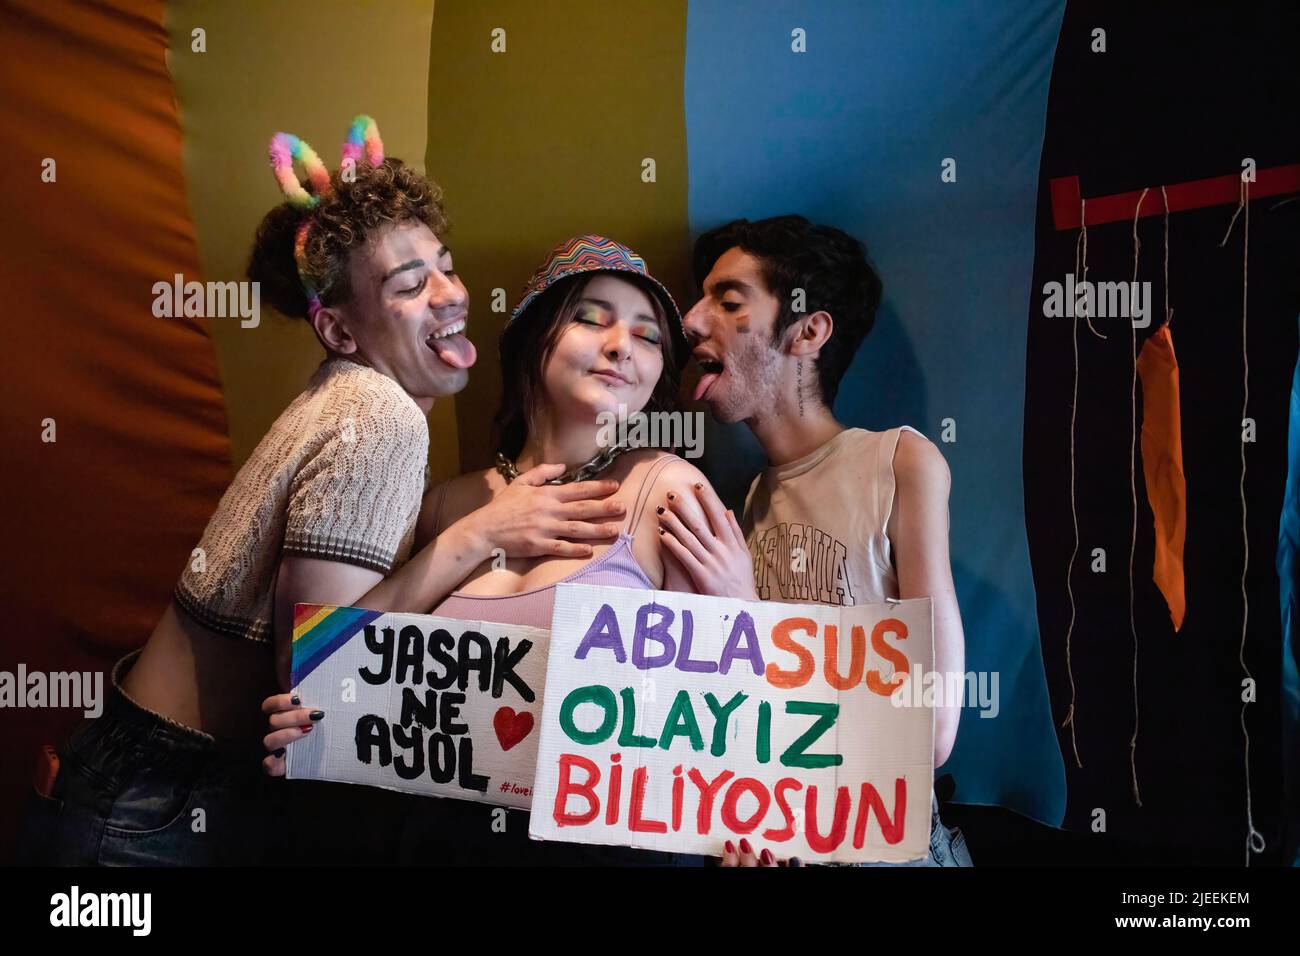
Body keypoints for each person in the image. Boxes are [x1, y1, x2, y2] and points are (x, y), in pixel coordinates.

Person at [15, 117, 623, 866]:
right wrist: (484, 533)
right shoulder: (378, 412)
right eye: (408, 285)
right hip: (159, 797)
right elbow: (313, 670)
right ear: (339, 331)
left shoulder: (346, 398)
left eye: (445, 264)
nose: (449, 294)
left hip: (142, 774)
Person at [263, 234, 731, 864]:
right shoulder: (443, 503)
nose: (623, 345)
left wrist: (745, 607)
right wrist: (316, 716)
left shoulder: (667, 490)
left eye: (649, 337)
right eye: (591, 319)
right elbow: (337, 666)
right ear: (534, 337)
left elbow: (726, 720)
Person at [656, 214, 973, 867]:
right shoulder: (745, 504)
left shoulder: (899, 463)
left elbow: (932, 729)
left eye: (729, 299)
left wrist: (746, 611)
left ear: (809, 331)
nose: (689, 320)